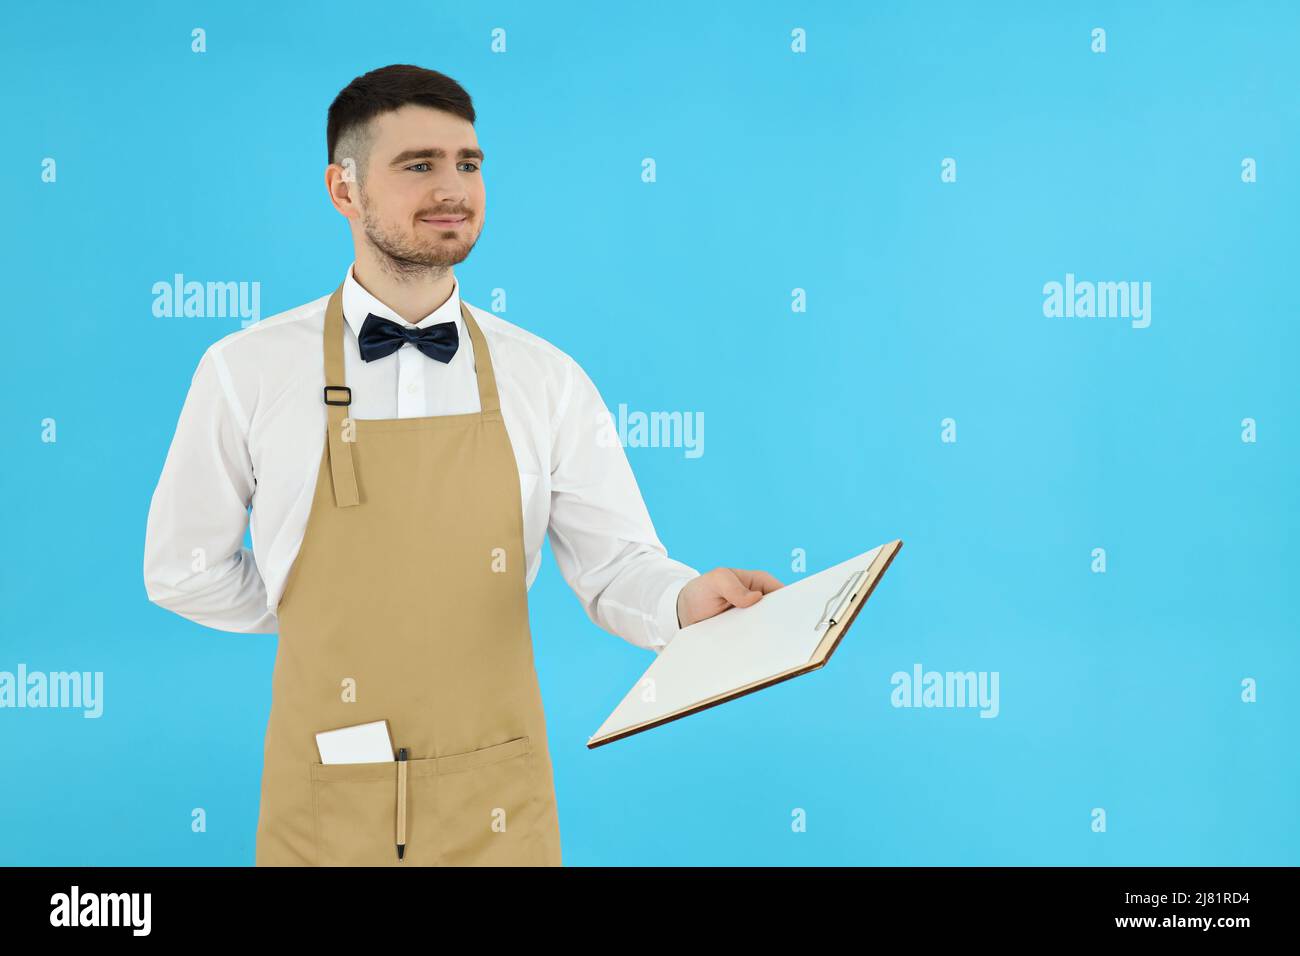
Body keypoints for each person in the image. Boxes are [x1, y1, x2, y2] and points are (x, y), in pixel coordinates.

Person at [143, 63, 784, 867]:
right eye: (419, 165)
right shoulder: (247, 370)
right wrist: (321, 611)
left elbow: (615, 566)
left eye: (468, 164)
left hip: (498, 799)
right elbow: (182, 569)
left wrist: (690, 601)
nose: (453, 188)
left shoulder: (545, 376)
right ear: (343, 190)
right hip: (327, 796)